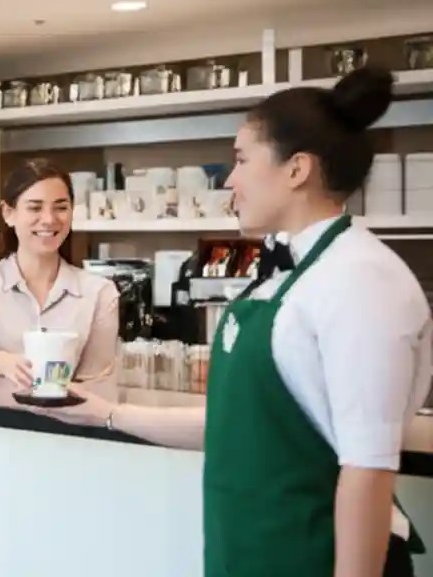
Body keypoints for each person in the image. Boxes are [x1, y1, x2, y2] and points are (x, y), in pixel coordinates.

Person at [39, 67, 433, 577]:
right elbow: (238, 425)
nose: (230, 181)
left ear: (297, 169)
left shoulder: (361, 279)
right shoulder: (281, 276)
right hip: (250, 556)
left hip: (314, 558)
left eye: (242, 159)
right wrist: (105, 413)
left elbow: (368, 469)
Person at [0, 158, 120, 393]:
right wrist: (6, 364)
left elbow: (95, 382)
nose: (49, 219)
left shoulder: (99, 292)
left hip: (65, 416)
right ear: (8, 213)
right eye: (35, 207)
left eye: (61, 207)